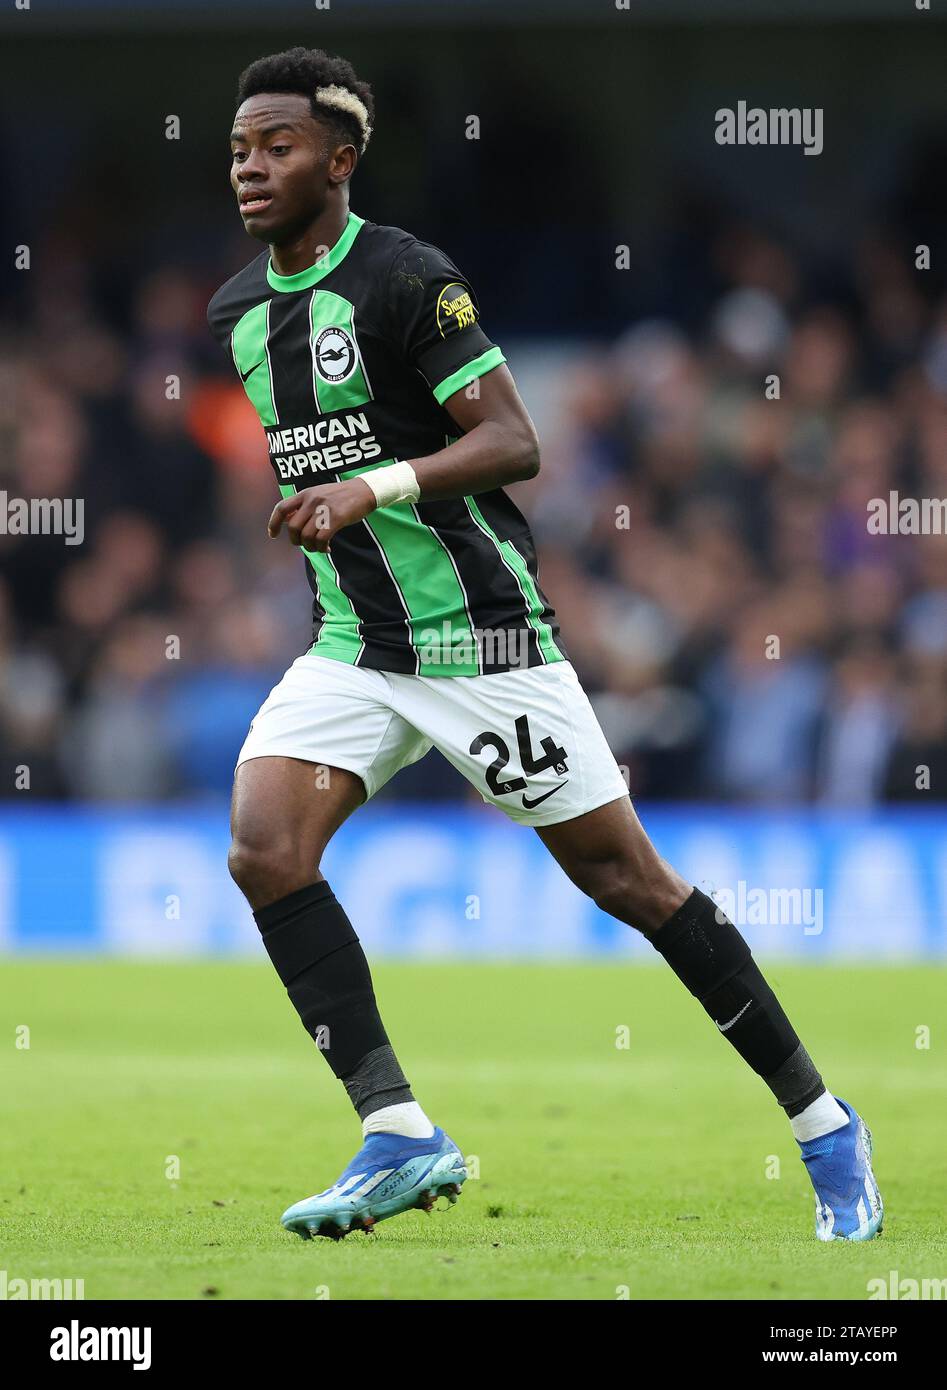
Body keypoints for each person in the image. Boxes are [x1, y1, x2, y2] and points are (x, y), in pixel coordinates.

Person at [207, 46, 882, 1243]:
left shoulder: (412, 279)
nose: (251, 167)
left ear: (340, 161)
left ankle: (824, 1123)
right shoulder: (238, 312)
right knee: (264, 848)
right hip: (357, 648)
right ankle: (398, 1131)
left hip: (483, 641)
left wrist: (373, 487)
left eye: (277, 146)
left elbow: (515, 441)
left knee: (627, 880)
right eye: (239, 150)